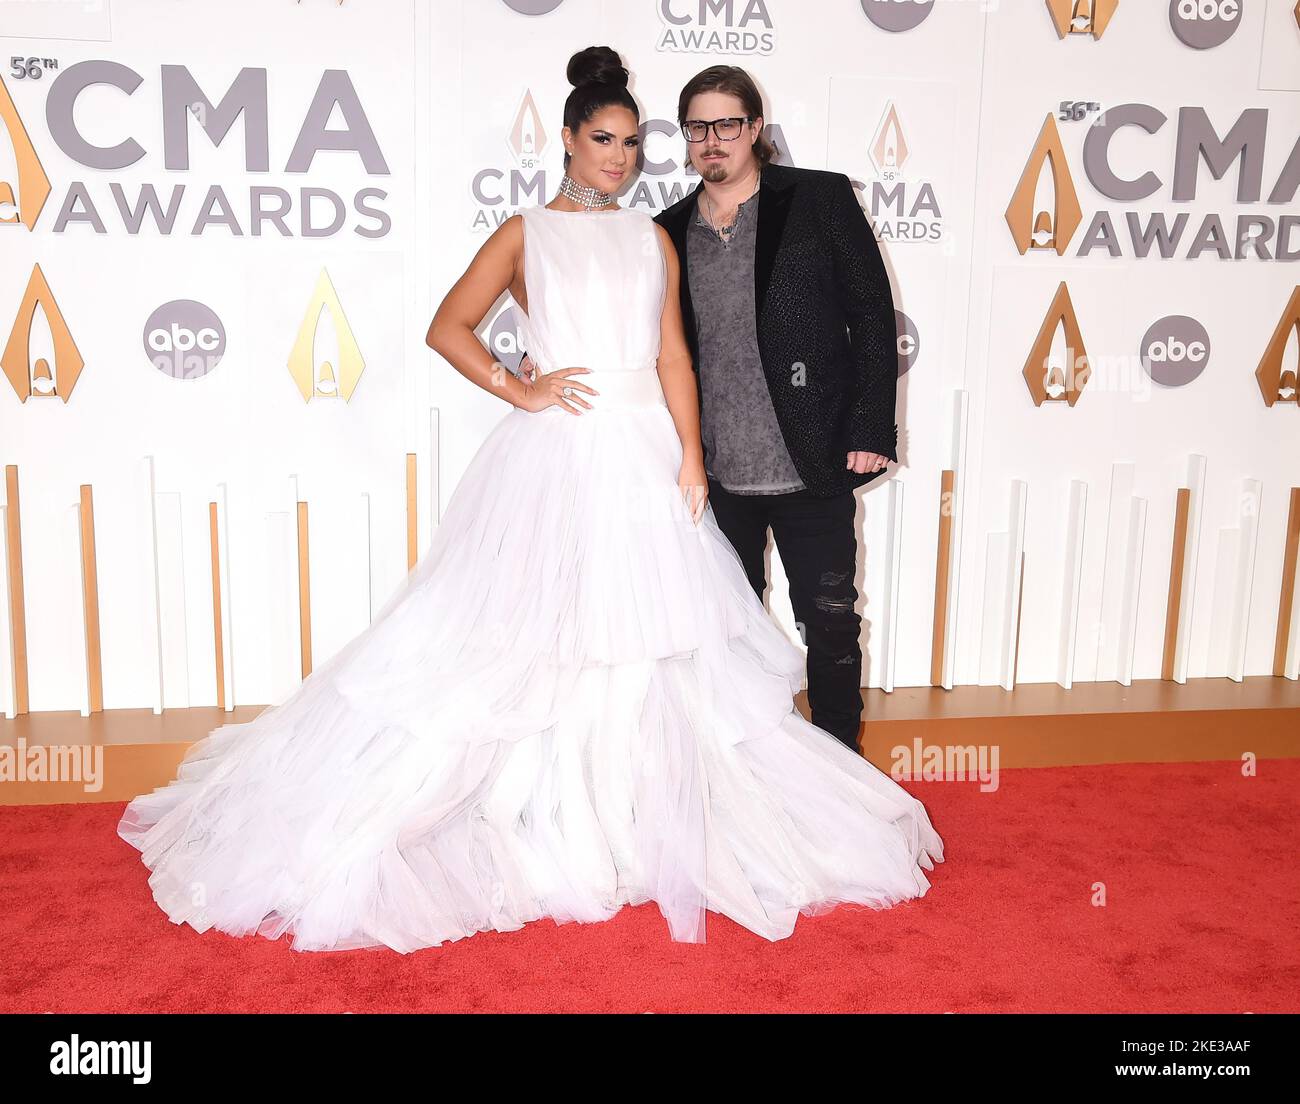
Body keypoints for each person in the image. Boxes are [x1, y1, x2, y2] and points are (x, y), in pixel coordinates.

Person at [116, 46, 942, 954]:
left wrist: (693, 460)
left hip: (649, 453)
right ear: (568, 138)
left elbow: (673, 357)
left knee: (662, 641)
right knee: (547, 633)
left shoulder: (650, 234)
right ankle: (548, 811)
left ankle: (641, 811)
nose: (620, 158)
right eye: (603, 140)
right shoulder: (523, 232)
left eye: (632, 143)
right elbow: (447, 327)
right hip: (559, 455)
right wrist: (520, 388)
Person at [654, 66, 900, 755]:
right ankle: (753, 772)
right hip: (716, 472)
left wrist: (871, 425)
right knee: (727, 630)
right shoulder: (666, 230)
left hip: (812, 458)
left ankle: (840, 766)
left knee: (830, 621)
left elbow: (871, 315)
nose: (712, 140)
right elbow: (648, 340)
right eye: (698, 127)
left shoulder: (817, 200)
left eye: (727, 124)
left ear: (756, 129)